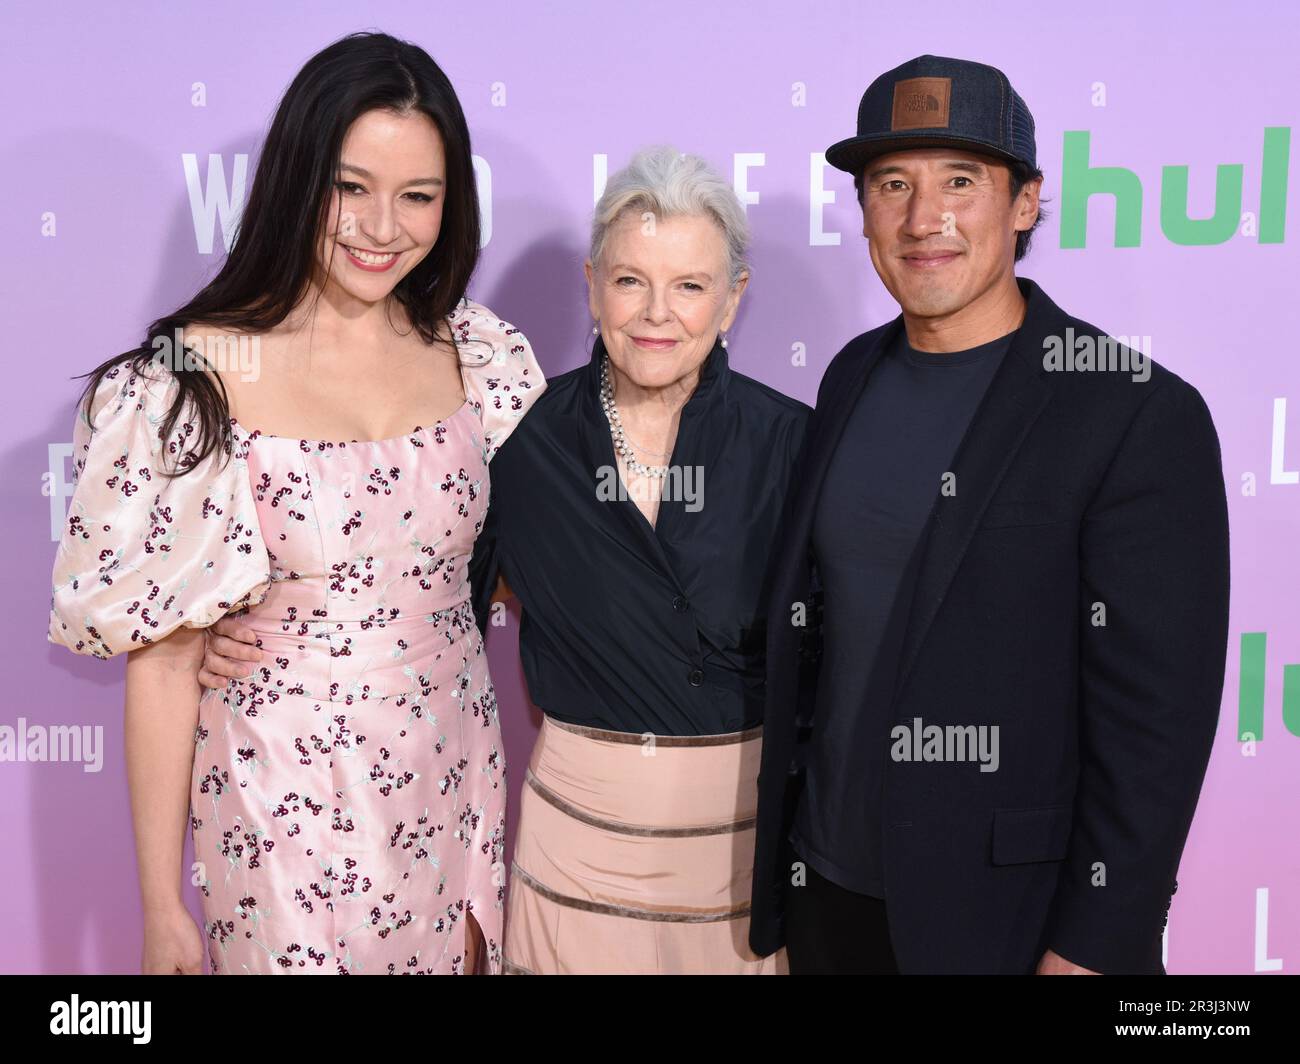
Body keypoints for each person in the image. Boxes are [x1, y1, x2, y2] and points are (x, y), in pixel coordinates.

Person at [202, 146, 808, 974]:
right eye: (630, 281)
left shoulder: (797, 447)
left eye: (691, 286)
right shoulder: (523, 440)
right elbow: (417, 584)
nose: (656, 313)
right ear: (593, 286)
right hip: (576, 856)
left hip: (744, 859)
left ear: (732, 301)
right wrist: (243, 626)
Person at [47, 32, 545, 975]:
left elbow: (539, 566)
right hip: (278, 798)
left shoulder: (481, 355)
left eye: (418, 196)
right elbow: (162, 668)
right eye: (349, 187)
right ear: (294, 179)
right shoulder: (190, 380)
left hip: (452, 776)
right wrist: (162, 910)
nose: (381, 227)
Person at [749, 55, 1231, 975]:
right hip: (830, 897)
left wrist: (1089, 950)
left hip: (1009, 923)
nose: (923, 219)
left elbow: (1157, 733)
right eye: (893, 184)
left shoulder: (1134, 412)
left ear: (1025, 203)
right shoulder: (851, 374)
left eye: (961, 181)